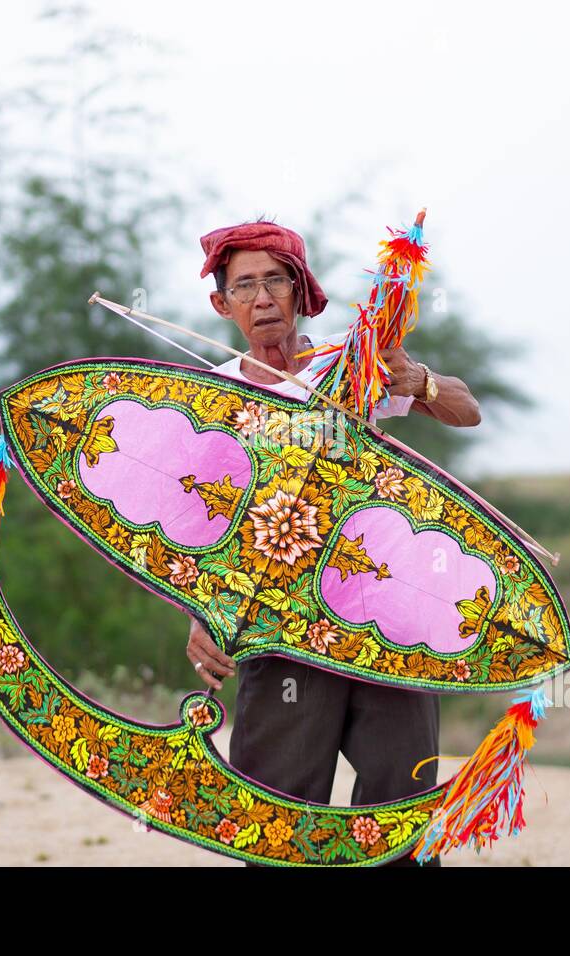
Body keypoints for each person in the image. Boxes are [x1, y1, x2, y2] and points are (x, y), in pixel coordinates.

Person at [184, 218, 481, 867]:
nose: (262, 298)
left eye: (275, 281)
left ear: (301, 291)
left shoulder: (353, 367)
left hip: (386, 621)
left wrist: (417, 381)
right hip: (281, 627)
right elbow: (203, 532)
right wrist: (201, 615)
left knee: (401, 813)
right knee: (273, 826)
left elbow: (466, 408)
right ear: (221, 303)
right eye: (244, 286)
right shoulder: (212, 398)